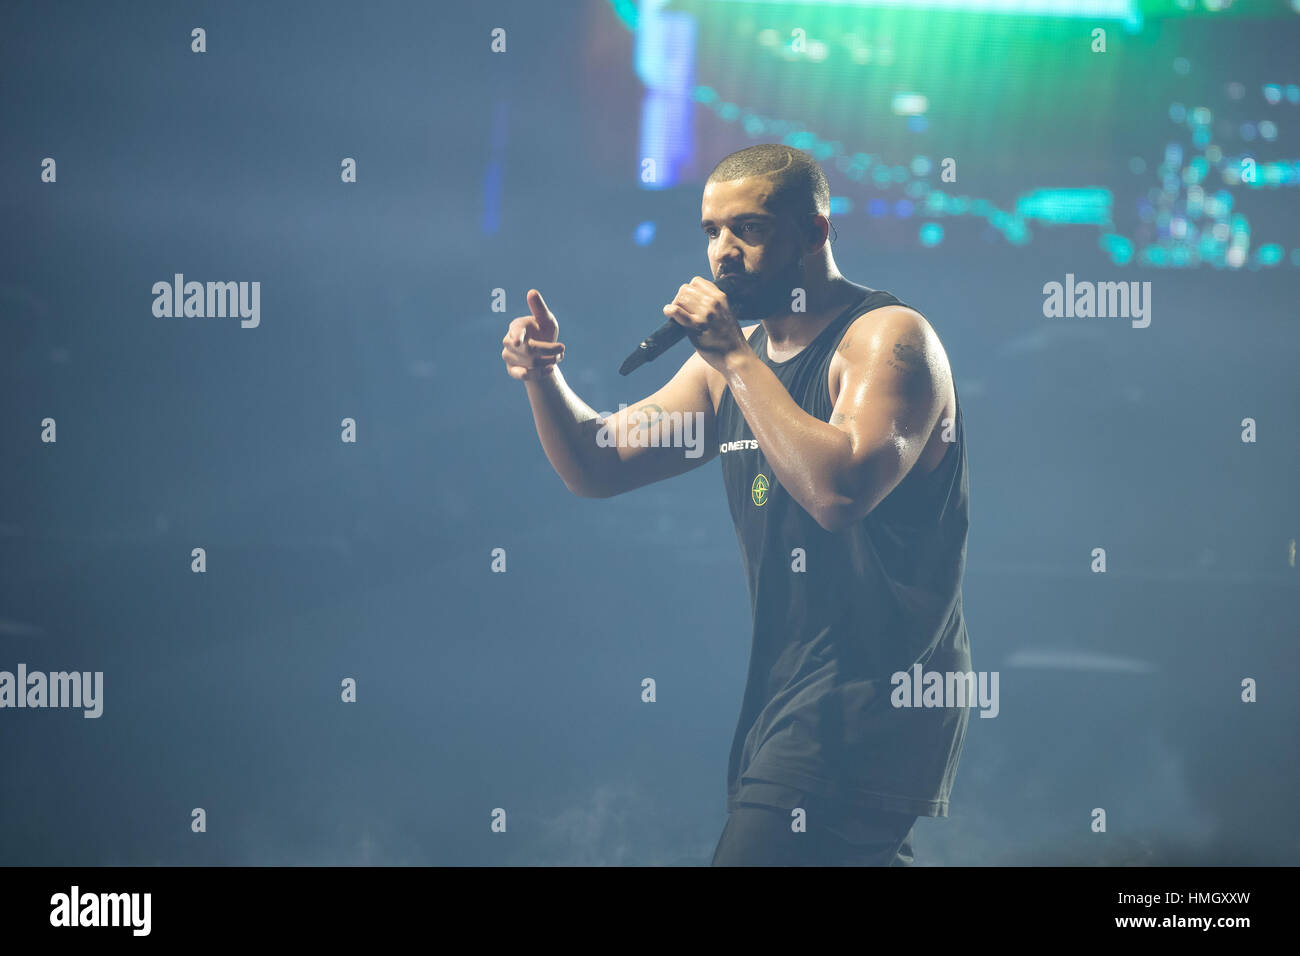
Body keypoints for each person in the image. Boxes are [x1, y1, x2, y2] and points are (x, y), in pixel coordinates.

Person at [501, 144, 971, 866]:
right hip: (788, 691)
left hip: (873, 698)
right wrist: (542, 378)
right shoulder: (733, 366)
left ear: (814, 234)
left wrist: (733, 358)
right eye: (712, 231)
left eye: (747, 229)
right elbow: (598, 463)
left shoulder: (888, 339)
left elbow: (838, 492)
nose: (722, 253)